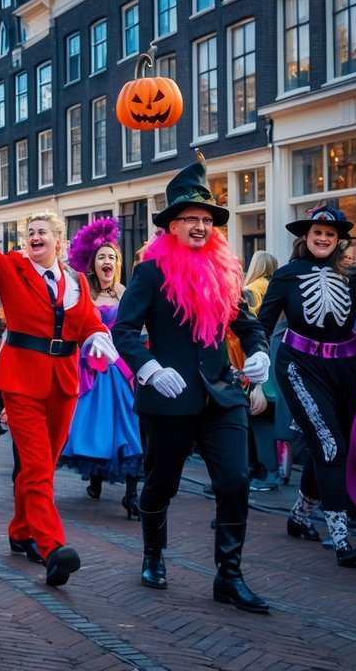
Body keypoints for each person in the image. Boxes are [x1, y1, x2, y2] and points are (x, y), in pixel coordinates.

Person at [112, 159, 272, 613]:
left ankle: (229, 576)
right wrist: (150, 370)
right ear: (173, 226)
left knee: (236, 480)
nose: (201, 227)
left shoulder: (227, 271)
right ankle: (153, 554)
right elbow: (124, 331)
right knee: (161, 485)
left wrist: (259, 352)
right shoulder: (150, 272)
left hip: (222, 395)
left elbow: (248, 323)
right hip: (168, 399)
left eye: (207, 220)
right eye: (191, 219)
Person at [0, 145, 114, 589]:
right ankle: (52, 548)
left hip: (64, 382)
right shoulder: (11, 269)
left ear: (60, 241)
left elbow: (86, 324)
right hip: (22, 380)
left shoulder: (78, 282)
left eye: (43, 231)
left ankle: (21, 530)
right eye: (31, 231)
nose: (35, 236)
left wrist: (99, 337)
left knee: (38, 465)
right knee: (39, 467)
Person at [257, 206, 356, 566]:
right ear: (305, 236)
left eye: (330, 234)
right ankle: (340, 538)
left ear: (339, 240)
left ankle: (300, 514)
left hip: (346, 368)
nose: (323, 238)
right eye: (317, 232)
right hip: (300, 366)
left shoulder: (355, 276)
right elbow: (262, 324)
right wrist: (255, 371)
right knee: (329, 444)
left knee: (335, 445)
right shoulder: (287, 275)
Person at [58, 218, 144, 517]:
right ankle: (95, 479)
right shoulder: (82, 292)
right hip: (90, 371)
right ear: (92, 264)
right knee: (91, 427)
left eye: (112, 257)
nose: (107, 261)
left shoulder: (127, 292)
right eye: (102, 257)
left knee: (128, 429)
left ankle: (132, 494)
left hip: (120, 371)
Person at [242, 251, 281, 493]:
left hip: (259, 357)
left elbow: (252, 327)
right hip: (277, 353)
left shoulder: (252, 289)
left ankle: (266, 472)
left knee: (258, 416)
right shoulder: (275, 285)